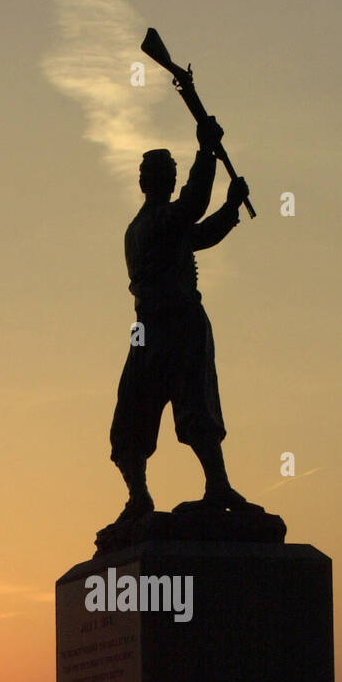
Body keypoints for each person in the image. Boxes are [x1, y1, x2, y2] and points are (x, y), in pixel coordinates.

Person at [109, 115, 252, 522]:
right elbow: (192, 208)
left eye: (169, 174)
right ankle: (141, 496)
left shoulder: (163, 224)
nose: (168, 181)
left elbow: (199, 234)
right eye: (164, 174)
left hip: (174, 324)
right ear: (151, 182)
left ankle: (215, 484)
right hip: (159, 326)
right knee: (137, 412)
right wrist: (206, 149)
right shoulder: (151, 224)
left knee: (193, 406)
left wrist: (230, 207)